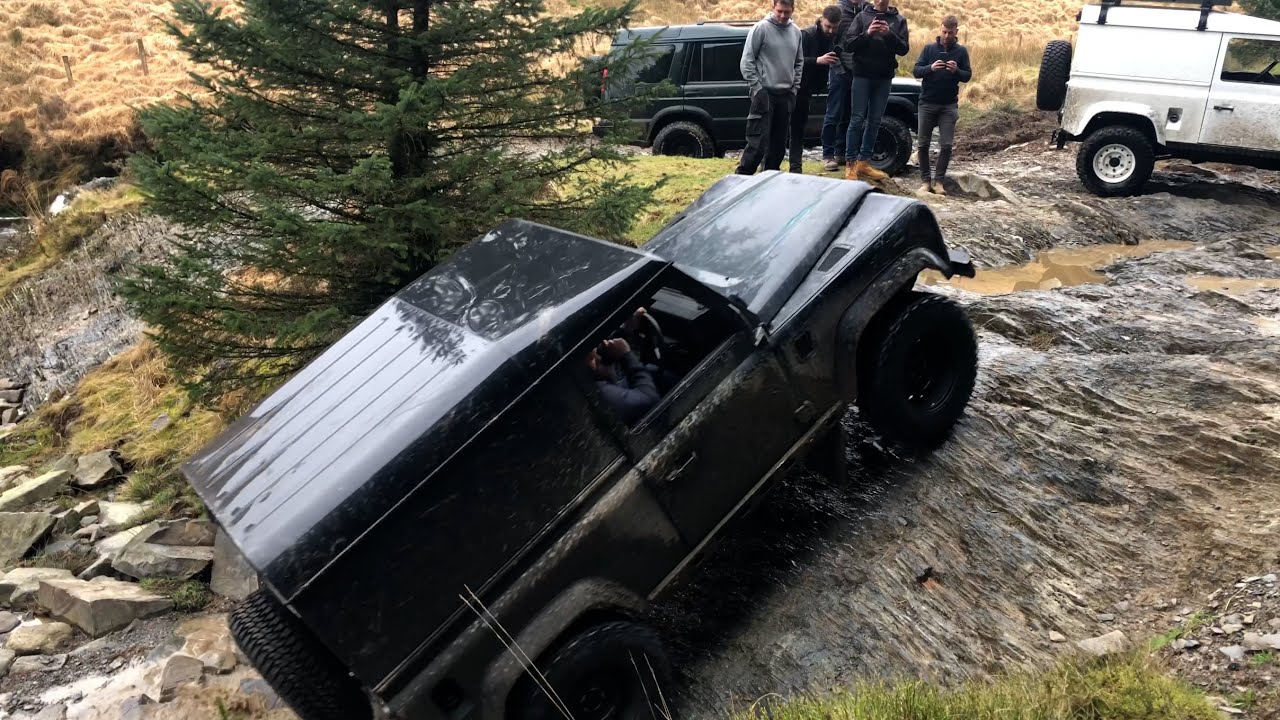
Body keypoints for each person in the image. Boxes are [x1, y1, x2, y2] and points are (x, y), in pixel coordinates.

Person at [837, 0, 909, 181]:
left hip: (884, 77)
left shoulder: (899, 20)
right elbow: (848, 45)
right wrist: (868, 33)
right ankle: (851, 163)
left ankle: (864, 162)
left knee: (875, 120)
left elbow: (903, 49)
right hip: (862, 76)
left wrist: (889, 35)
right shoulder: (862, 17)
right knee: (856, 119)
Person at [736, 0, 804, 175]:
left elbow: (799, 63)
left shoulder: (796, 32)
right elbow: (747, 61)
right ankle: (742, 178)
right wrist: (757, 88)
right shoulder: (761, 28)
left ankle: (770, 179)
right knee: (758, 144)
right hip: (764, 92)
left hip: (785, 94)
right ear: (773, 8)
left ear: (793, 10)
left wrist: (794, 90)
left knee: (778, 147)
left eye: (786, 12)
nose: (782, 16)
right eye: (779, 11)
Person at [913, 15, 971, 195]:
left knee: (946, 145)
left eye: (950, 33)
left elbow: (967, 75)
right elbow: (916, 71)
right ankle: (925, 181)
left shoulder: (961, 52)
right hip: (927, 102)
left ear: (956, 32)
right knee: (923, 144)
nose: (946, 36)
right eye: (944, 32)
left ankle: (939, 181)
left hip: (949, 105)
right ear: (940, 29)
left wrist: (956, 71)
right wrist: (930, 68)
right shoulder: (929, 49)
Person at [790, 6, 842, 174]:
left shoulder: (832, 37)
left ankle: (796, 168)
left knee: (798, 130)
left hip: (808, 89)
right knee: (782, 129)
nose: (831, 30)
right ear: (821, 20)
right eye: (828, 26)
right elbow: (794, 61)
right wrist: (818, 60)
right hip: (795, 88)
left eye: (834, 27)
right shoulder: (807, 35)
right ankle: (769, 166)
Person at [823, 0, 866, 172]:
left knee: (849, 114)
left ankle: (841, 152)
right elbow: (830, 42)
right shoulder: (838, 10)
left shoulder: (866, 10)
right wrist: (839, 70)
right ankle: (828, 155)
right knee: (833, 113)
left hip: (858, 71)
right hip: (838, 71)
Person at [587, 338, 660, 425]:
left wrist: (608, 370)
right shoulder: (600, 393)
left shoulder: (596, 388)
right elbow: (651, 401)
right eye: (593, 350)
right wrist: (626, 355)